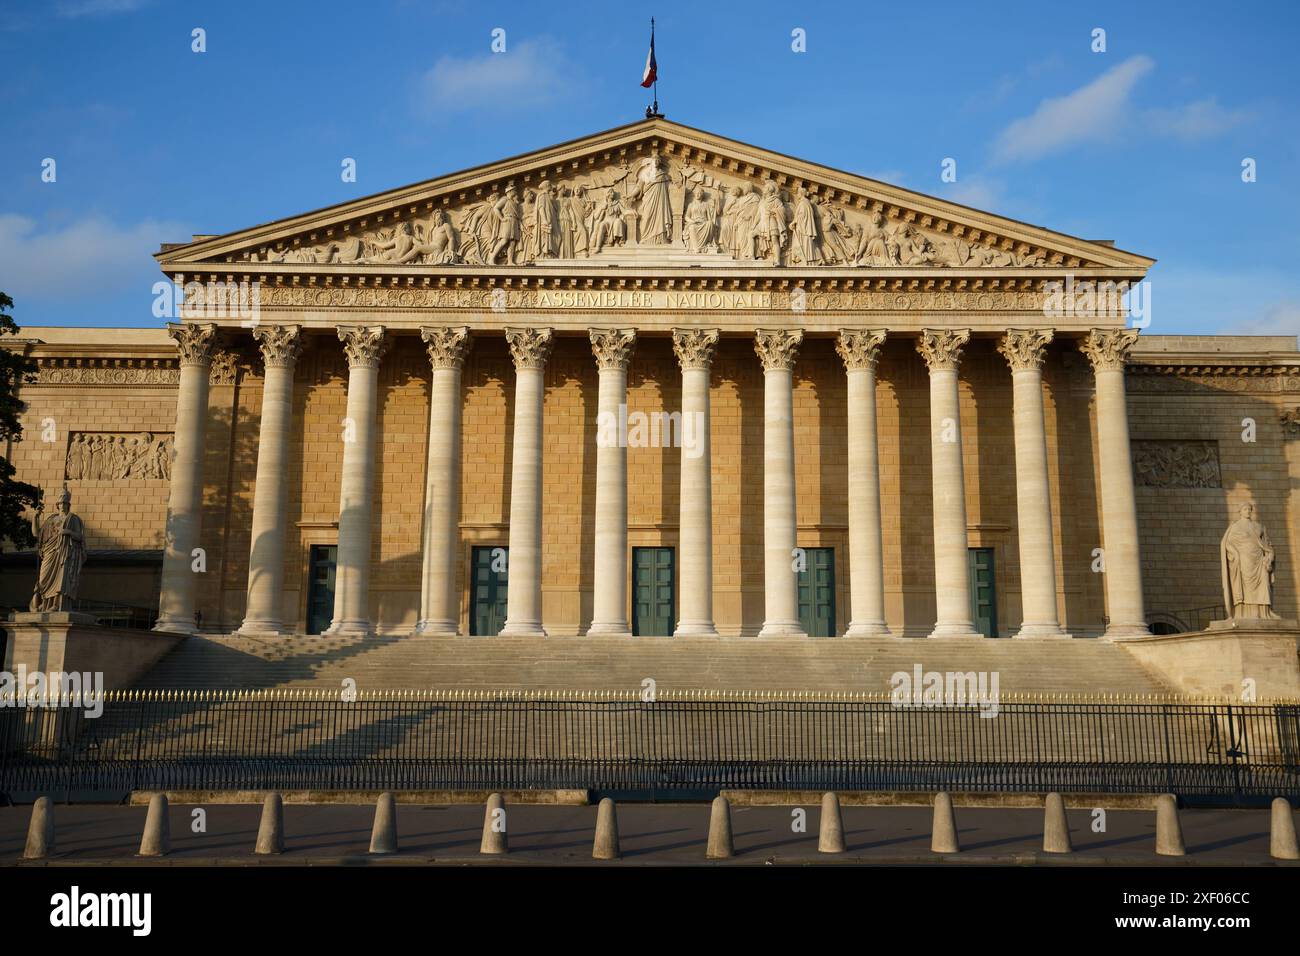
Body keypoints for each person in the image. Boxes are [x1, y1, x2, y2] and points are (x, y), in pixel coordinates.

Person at [29, 486, 87, 613]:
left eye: (64, 503)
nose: (62, 505)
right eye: (60, 503)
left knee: (62, 577)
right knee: (43, 579)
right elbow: (36, 533)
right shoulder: (51, 520)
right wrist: (35, 517)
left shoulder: (73, 519)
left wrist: (67, 531)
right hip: (50, 552)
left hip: (64, 553)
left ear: (68, 504)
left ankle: (57, 605)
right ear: (57, 505)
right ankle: (44, 604)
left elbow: (80, 537)